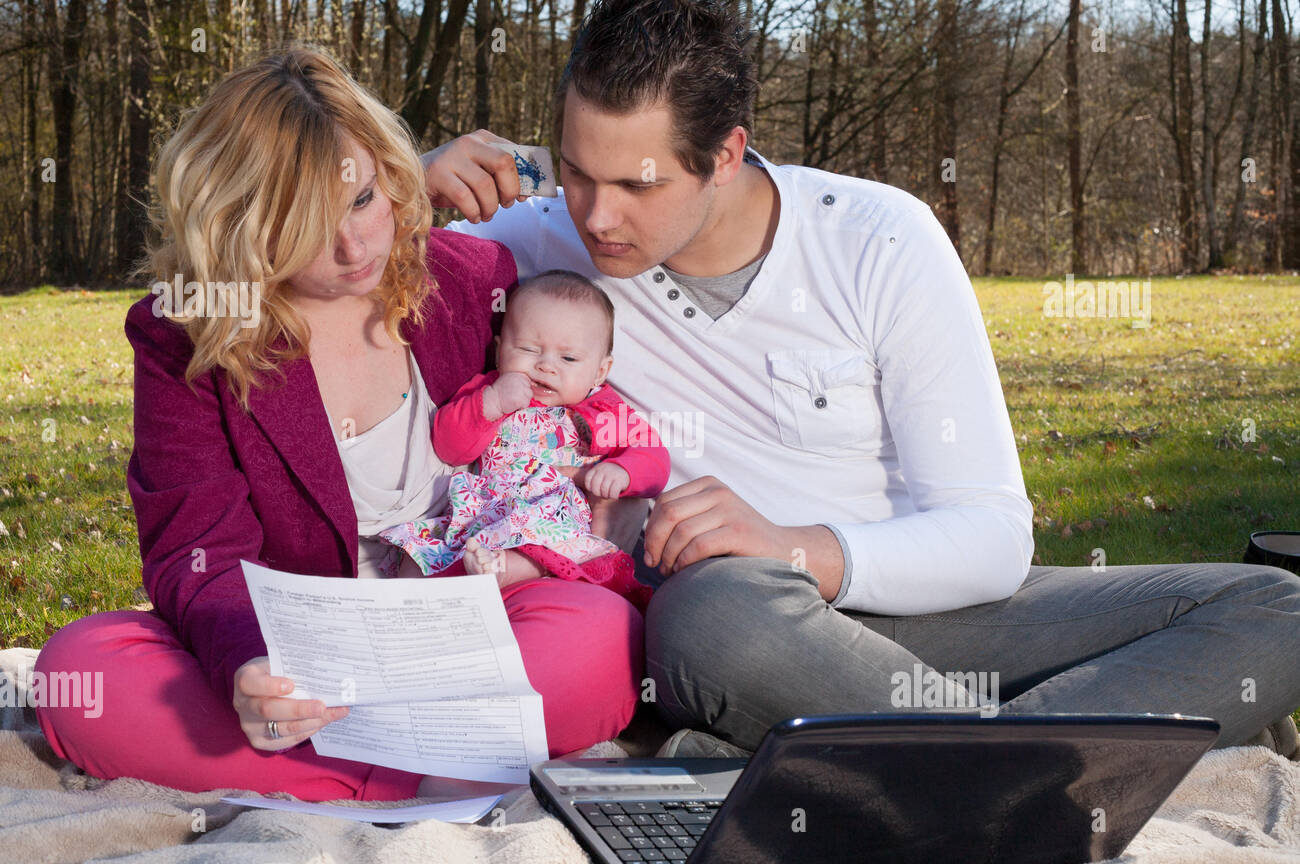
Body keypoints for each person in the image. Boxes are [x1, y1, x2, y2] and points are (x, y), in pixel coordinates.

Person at [423, 0, 1300, 756]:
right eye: (576, 172)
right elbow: (326, 274)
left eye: (635, 185)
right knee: (709, 611)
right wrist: (409, 189)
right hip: (745, 627)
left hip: (925, 611)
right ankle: (1044, 758)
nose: (597, 216)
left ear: (726, 154)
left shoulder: (880, 237)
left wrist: (798, 546)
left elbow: (993, 534)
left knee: (1277, 607)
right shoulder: (542, 245)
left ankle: (971, 762)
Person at [31, 47, 644, 802]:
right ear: (240, 224)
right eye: (305, 223)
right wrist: (249, 670)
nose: (355, 249)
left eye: (361, 201)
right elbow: (197, 552)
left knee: (598, 637)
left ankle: (358, 772)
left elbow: (578, 344)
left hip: (467, 615)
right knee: (80, 673)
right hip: (308, 645)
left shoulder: (472, 283)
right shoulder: (188, 336)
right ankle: (431, 771)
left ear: (392, 174)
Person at [379, 269, 670, 608]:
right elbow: (449, 447)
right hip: (481, 512)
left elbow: (652, 454)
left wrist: (624, 471)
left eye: (569, 358)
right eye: (529, 349)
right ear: (501, 350)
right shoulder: (491, 391)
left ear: (600, 371)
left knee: (541, 543)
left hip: (551, 512)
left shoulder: (599, 410)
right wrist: (490, 405)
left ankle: (500, 572)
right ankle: (407, 605)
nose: (546, 366)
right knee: (417, 555)